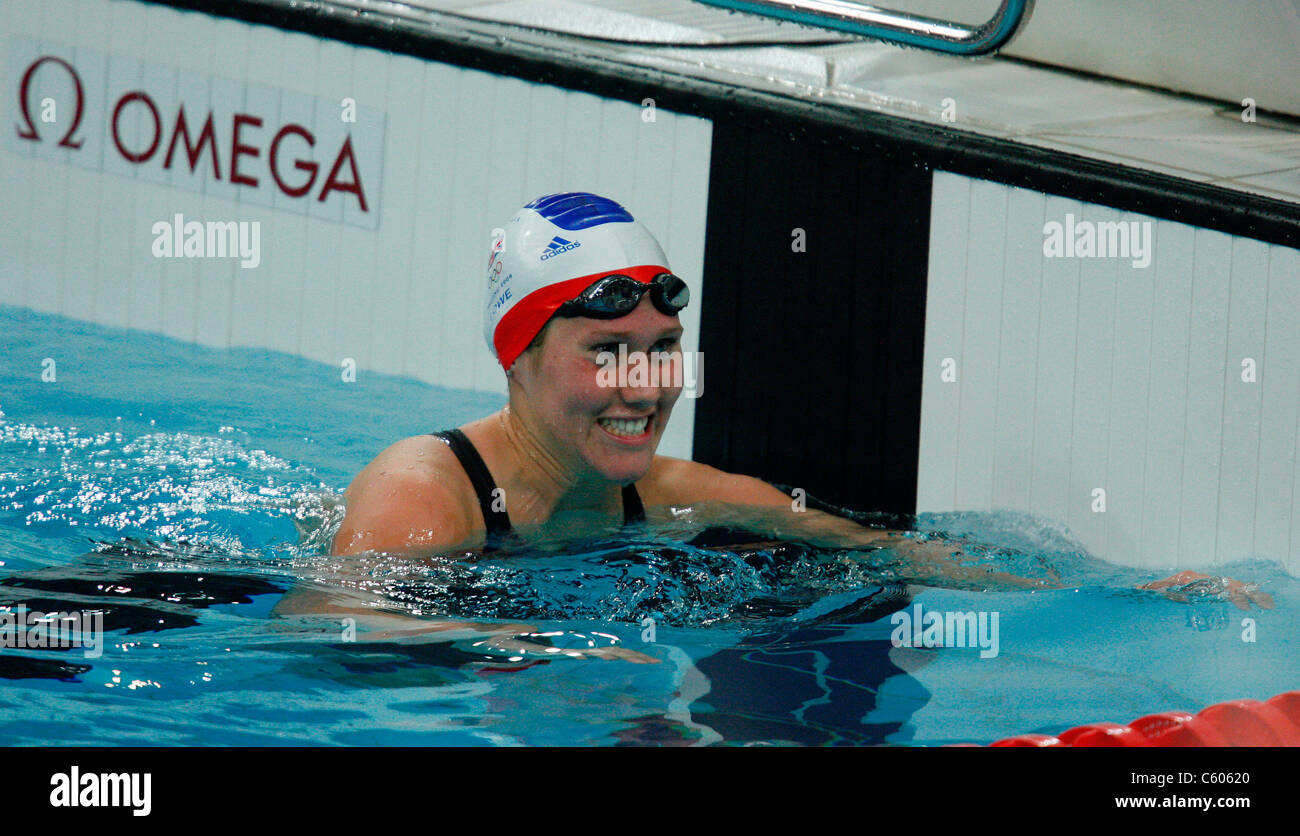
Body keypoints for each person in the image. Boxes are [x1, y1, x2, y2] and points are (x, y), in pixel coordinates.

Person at [326, 191, 1271, 608]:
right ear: (516, 357)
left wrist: (1124, 593)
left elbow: (885, 549)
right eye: (606, 352)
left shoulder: (665, 493)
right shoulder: (420, 499)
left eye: (663, 351)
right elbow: (340, 638)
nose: (645, 385)